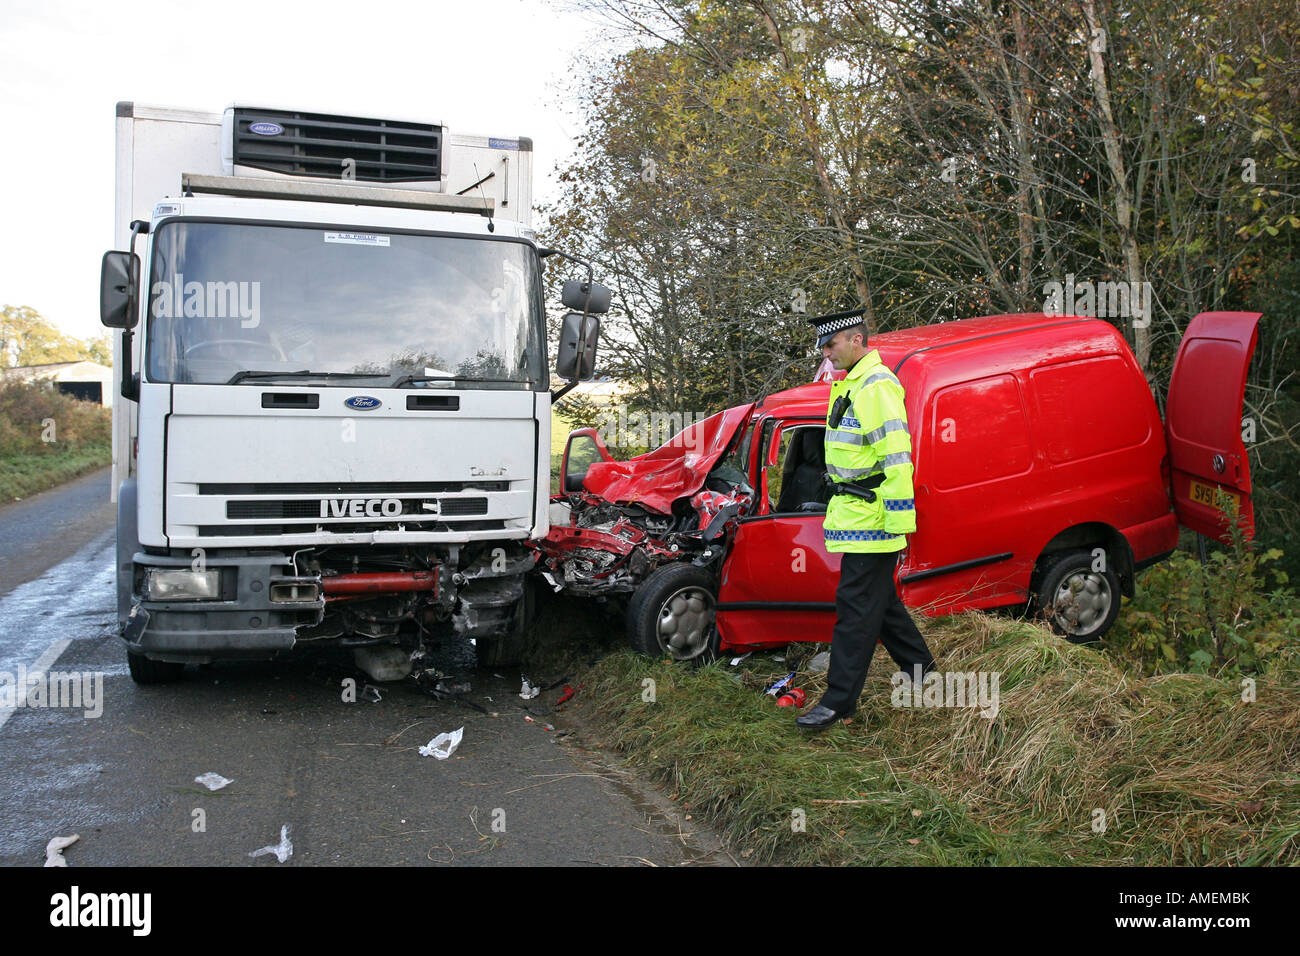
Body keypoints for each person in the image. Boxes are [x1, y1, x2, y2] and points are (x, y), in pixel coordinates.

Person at [797, 309, 936, 730]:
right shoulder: (853, 383)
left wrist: (897, 523)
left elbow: (897, 460)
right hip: (859, 512)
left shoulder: (876, 386)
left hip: (875, 519)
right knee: (882, 604)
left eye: (830, 344)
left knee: (855, 610)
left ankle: (840, 701)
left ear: (856, 340)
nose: (825, 353)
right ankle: (923, 673)